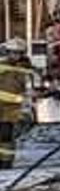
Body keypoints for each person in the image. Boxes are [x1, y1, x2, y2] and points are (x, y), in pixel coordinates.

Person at [0, 39, 30, 171]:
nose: (16, 56)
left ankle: (6, 163)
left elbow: (28, 87)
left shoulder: (25, 68)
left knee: (7, 135)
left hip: (11, 110)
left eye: (19, 53)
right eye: (13, 53)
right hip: (4, 105)